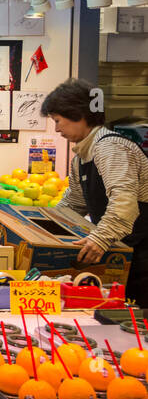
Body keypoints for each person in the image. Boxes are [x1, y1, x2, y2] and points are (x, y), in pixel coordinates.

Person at [42, 79, 148, 308]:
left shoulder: (110, 148)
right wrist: (44, 223)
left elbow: (125, 201)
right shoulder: (82, 155)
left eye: (58, 121)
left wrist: (100, 238)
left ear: (78, 115)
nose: (57, 129)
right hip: (125, 251)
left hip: (143, 254)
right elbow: (73, 203)